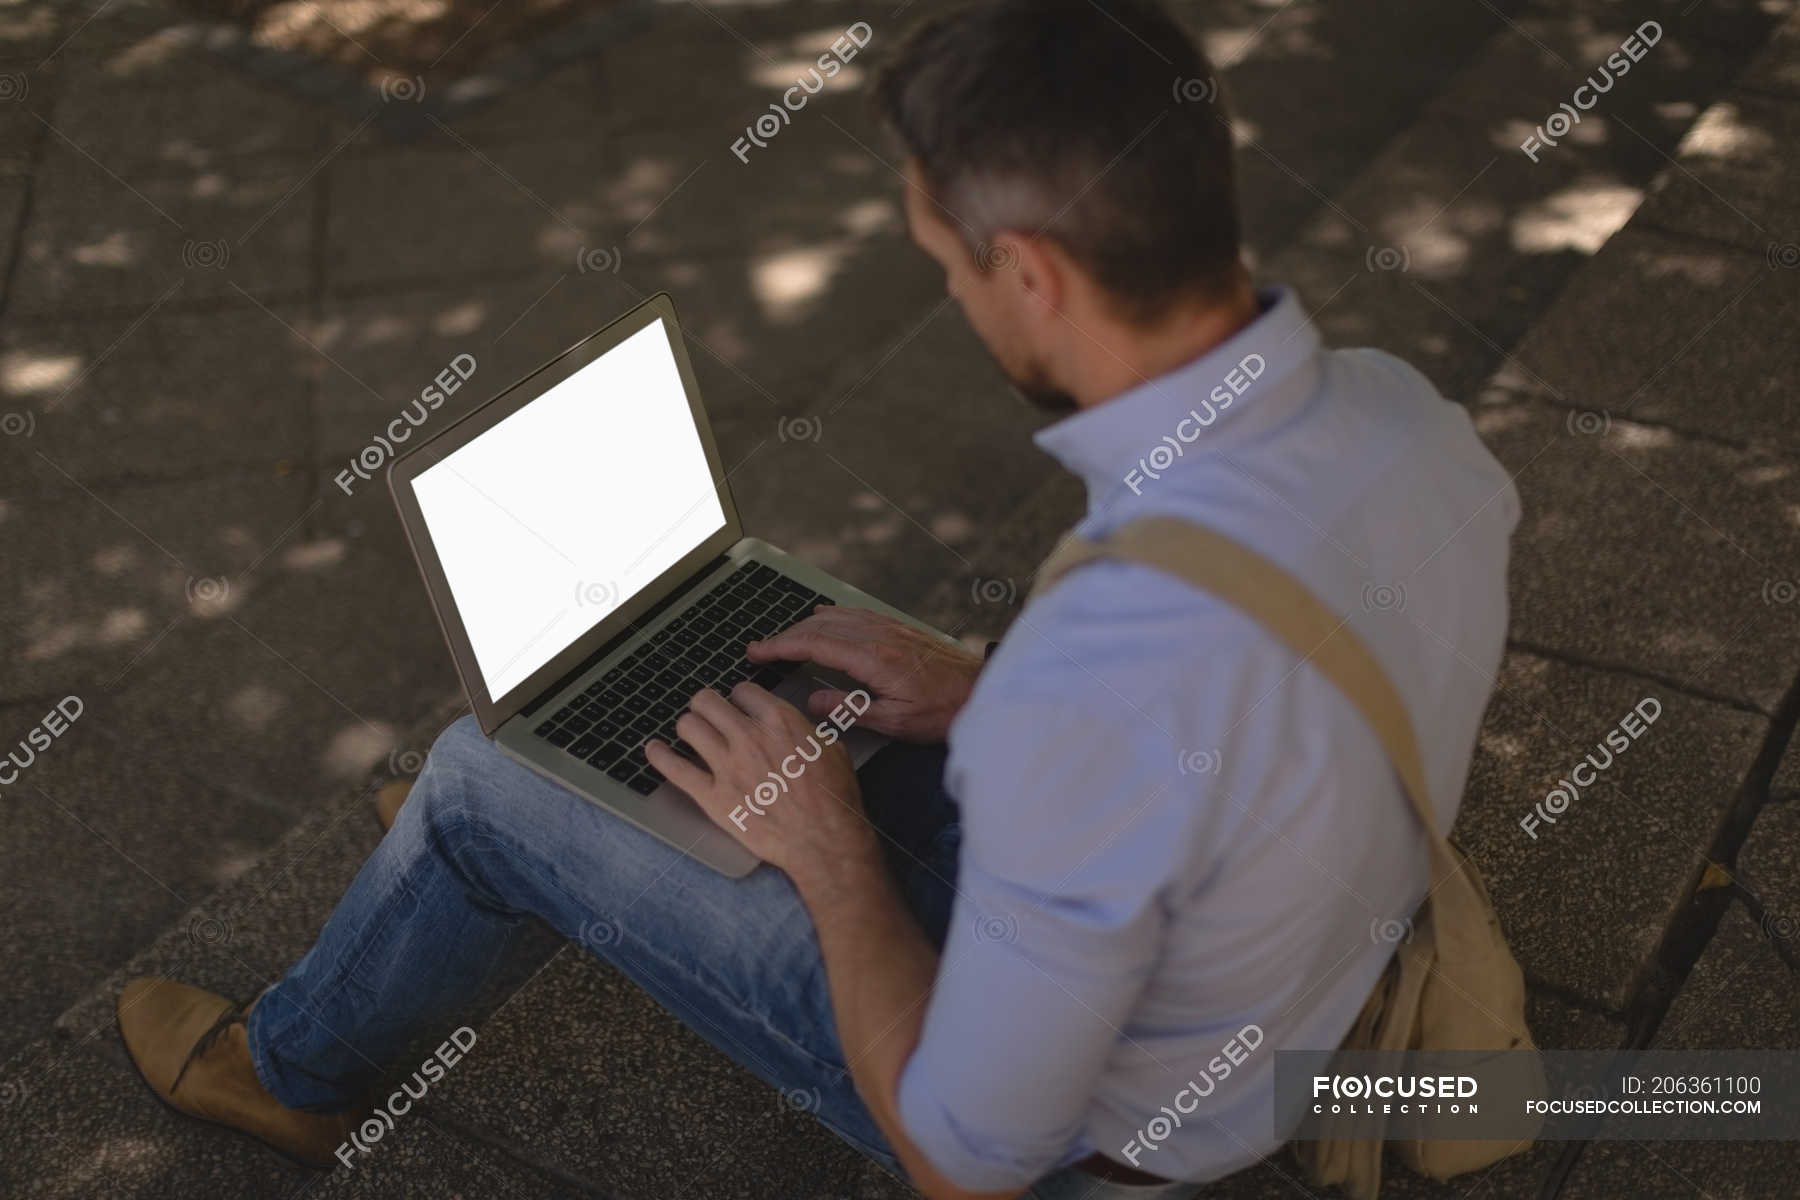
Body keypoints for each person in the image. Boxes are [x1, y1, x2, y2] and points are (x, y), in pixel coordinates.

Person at [116, 1, 1519, 1196]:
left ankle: (295, 1064)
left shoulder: (1112, 666)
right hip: (1258, 969)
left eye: (943, 262)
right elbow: (1202, 731)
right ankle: (551, 826)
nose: (957, 299)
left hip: (1100, 1132)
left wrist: (831, 850)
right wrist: (980, 691)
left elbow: (965, 1154)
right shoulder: (1410, 422)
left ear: (1027, 273)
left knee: (482, 772)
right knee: (708, 719)